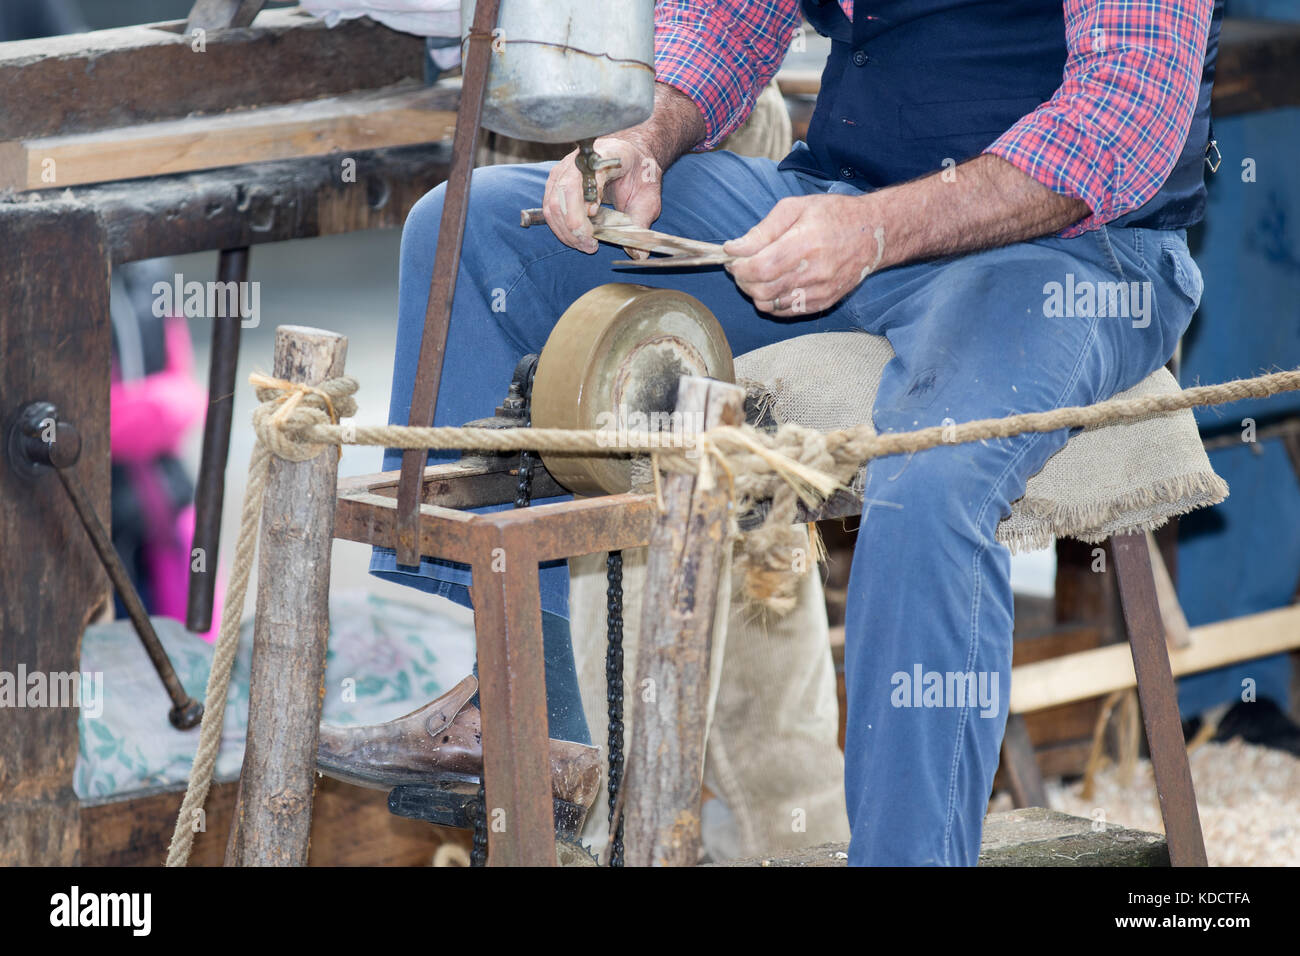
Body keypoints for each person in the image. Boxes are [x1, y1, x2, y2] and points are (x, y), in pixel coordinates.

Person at [353, 0, 1220, 865]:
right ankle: (531, 726)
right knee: (470, 231)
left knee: (932, 476)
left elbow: (1126, 115)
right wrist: (645, 137)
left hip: (1075, 252)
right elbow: (731, 16)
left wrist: (880, 229)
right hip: (844, 195)